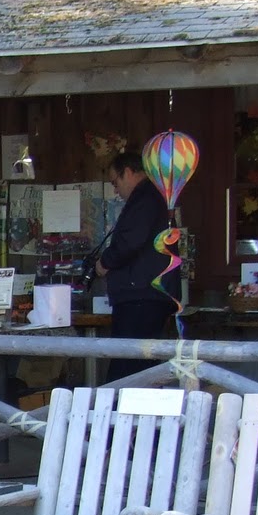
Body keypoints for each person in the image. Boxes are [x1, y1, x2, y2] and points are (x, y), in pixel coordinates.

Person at [96, 149, 177, 381]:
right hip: (147, 292)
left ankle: (123, 414)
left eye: (115, 182)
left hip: (141, 294)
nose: (116, 190)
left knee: (128, 370)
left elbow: (131, 240)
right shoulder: (152, 196)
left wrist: (105, 262)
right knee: (137, 367)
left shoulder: (145, 198)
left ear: (129, 172)